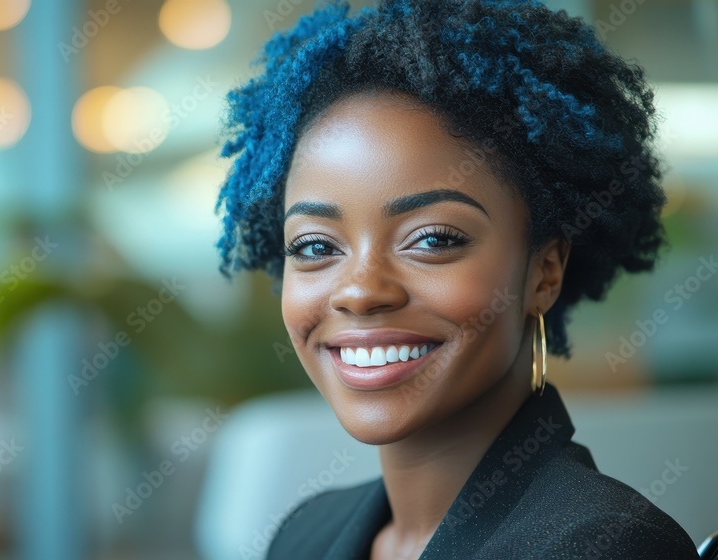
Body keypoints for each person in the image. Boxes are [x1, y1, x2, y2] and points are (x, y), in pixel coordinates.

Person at [212, 0, 701, 558]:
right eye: (316, 246)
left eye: (434, 238)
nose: (361, 289)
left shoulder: (604, 546)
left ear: (544, 272)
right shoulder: (305, 535)